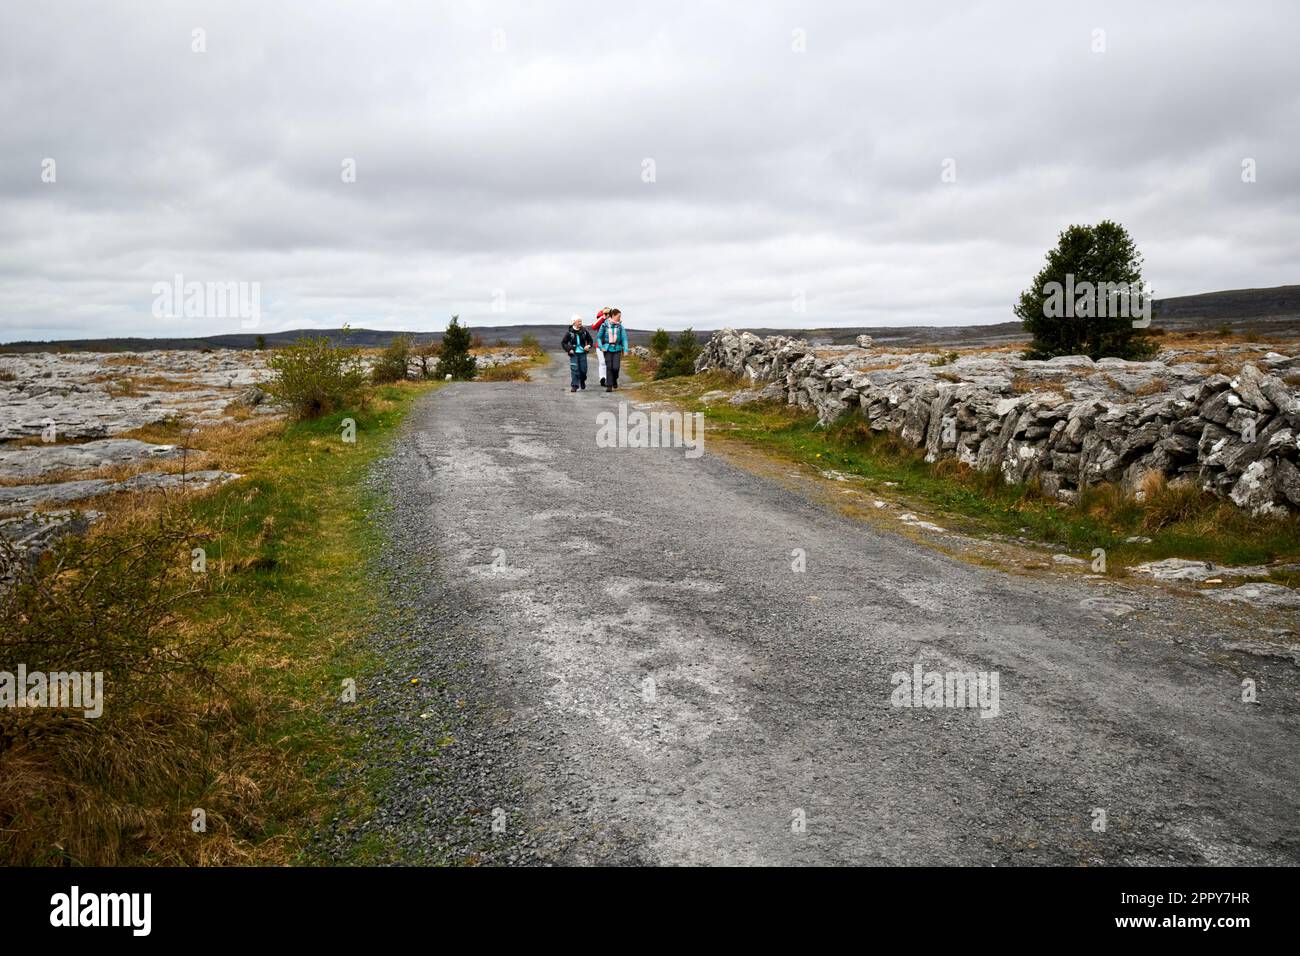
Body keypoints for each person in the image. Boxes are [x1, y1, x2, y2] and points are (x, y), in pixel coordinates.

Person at [597, 308, 628, 391]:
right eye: (619, 316)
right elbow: (599, 337)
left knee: (616, 368)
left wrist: (625, 350)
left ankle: (614, 379)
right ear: (613, 315)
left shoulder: (620, 326)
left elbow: (624, 339)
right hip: (607, 349)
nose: (620, 318)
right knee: (609, 366)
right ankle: (609, 385)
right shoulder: (604, 325)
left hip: (617, 349)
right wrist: (601, 347)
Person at [561, 317, 593, 392]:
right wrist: (569, 349)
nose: (580, 323)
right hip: (574, 353)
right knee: (574, 369)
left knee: (583, 370)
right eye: (579, 321)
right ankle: (574, 386)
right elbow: (564, 343)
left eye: (581, 321)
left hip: (582, 353)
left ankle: (582, 380)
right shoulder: (569, 332)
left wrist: (588, 346)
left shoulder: (584, 331)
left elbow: (590, 340)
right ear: (574, 322)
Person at [590, 308, 610, 386]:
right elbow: (594, 326)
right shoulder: (600, 319)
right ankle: (603, 378)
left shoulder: (613, 319)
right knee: (602, 362)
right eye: (606, 313)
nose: (608, 314)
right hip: (600, 345)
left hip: (610, 345)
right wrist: (603, 317)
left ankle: (609, 379)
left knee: (609, 363)